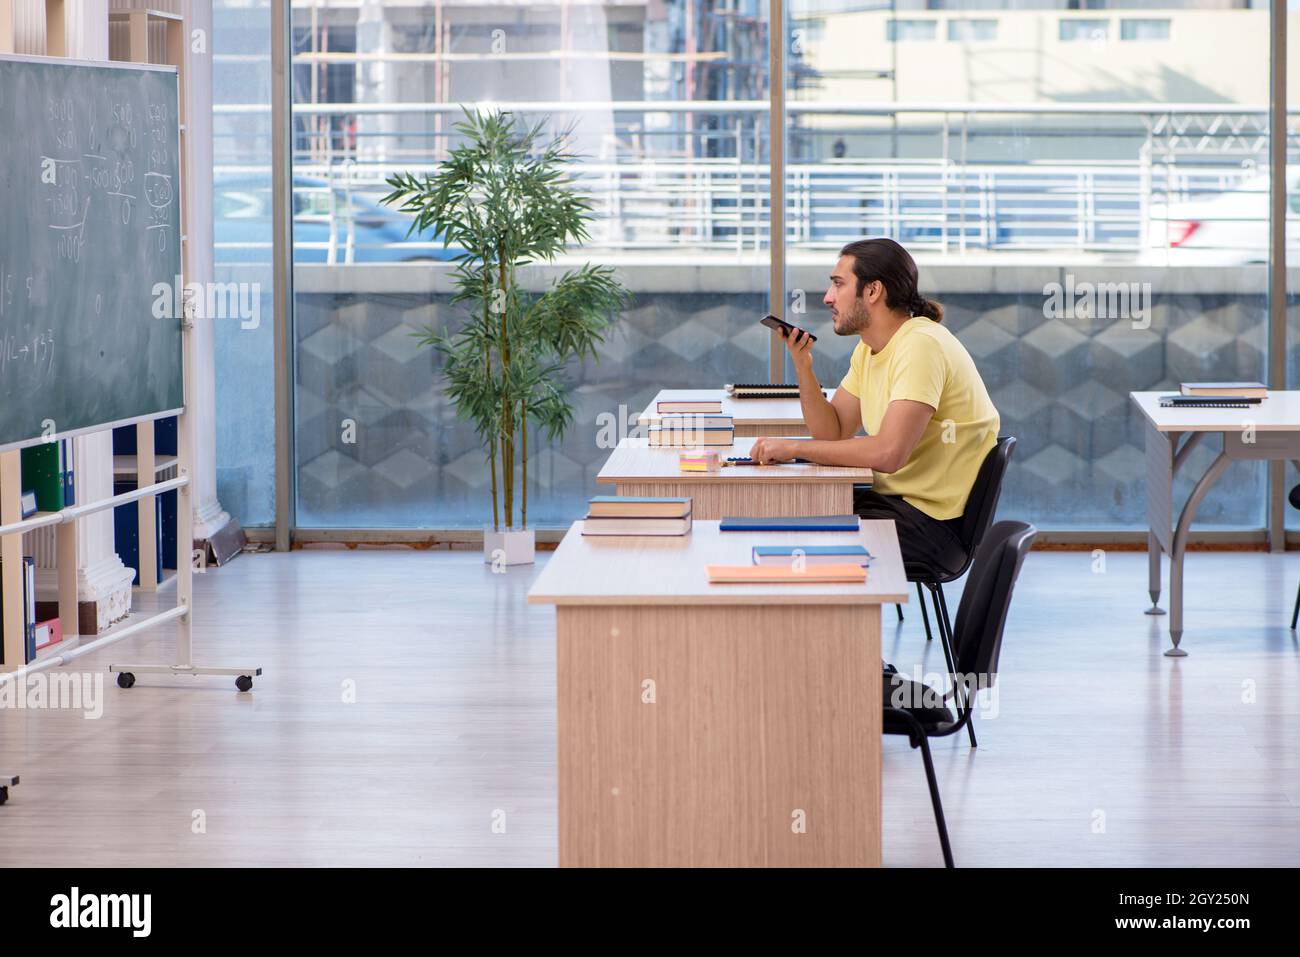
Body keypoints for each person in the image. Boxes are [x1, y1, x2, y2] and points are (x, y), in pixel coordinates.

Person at [749, 238, 999, 577]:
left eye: (838, 284)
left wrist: (794, 448)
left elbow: (889, 454)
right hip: (897, 507)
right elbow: (833, 432)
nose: (828, 297)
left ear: (873, 291)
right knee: (780, 517)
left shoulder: (920, 346)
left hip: (931, 528)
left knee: (790, 535)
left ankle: (819, 630)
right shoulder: (870, 350)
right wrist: (803, 366)